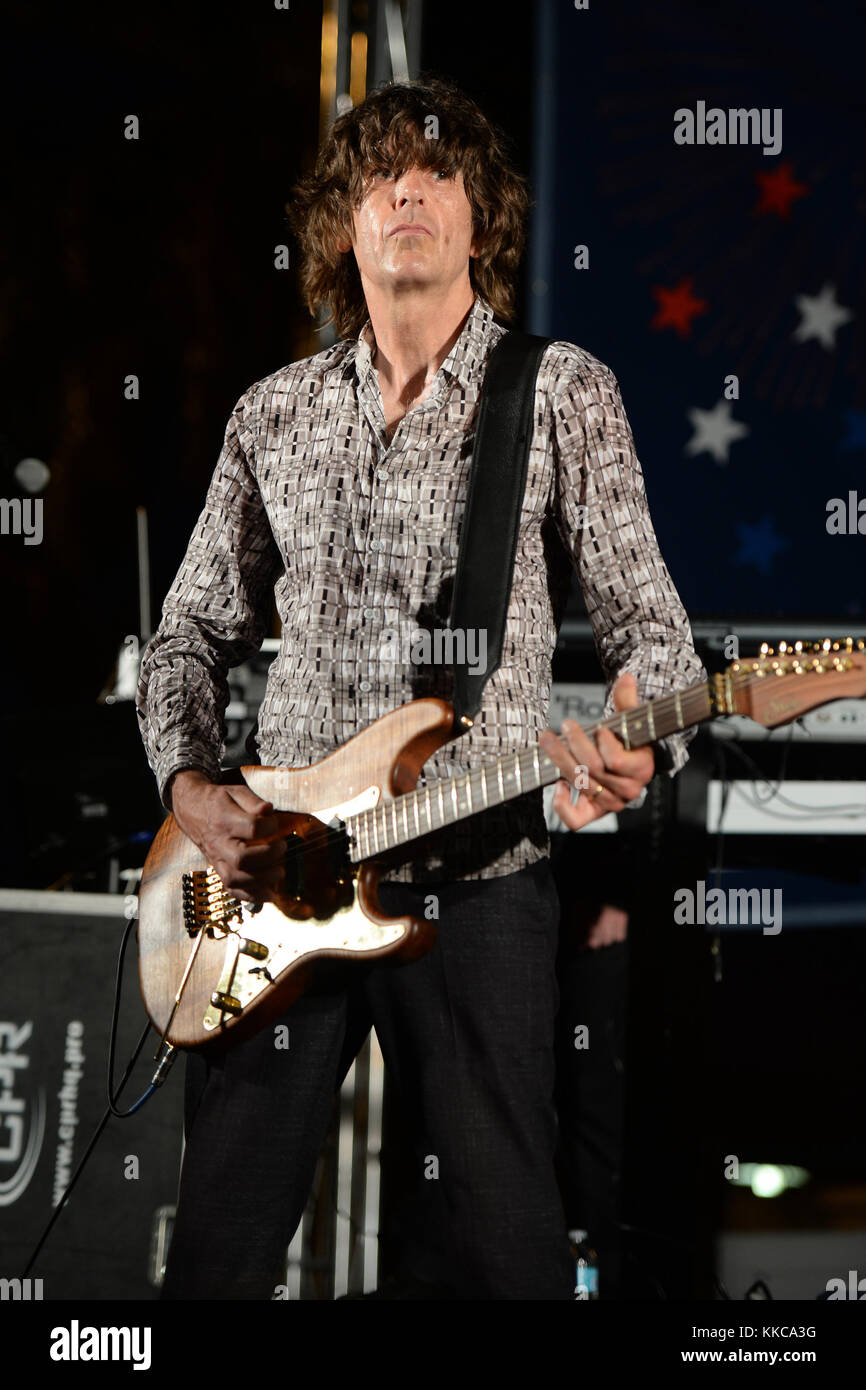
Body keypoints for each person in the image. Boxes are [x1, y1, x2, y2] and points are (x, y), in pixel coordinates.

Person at [136, 76, 706, 1300]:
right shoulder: (272, 414)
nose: (409, 189)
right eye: (382, 174)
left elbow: (653, 632)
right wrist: (191, 786)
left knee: (504, 1256)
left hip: (479, 882)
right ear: (345, 223)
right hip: (278, 888)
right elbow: (183, 635)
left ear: (479, 219)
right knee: (219, 1257)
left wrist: (636, 744)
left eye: (439, 171)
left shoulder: (557, 392)